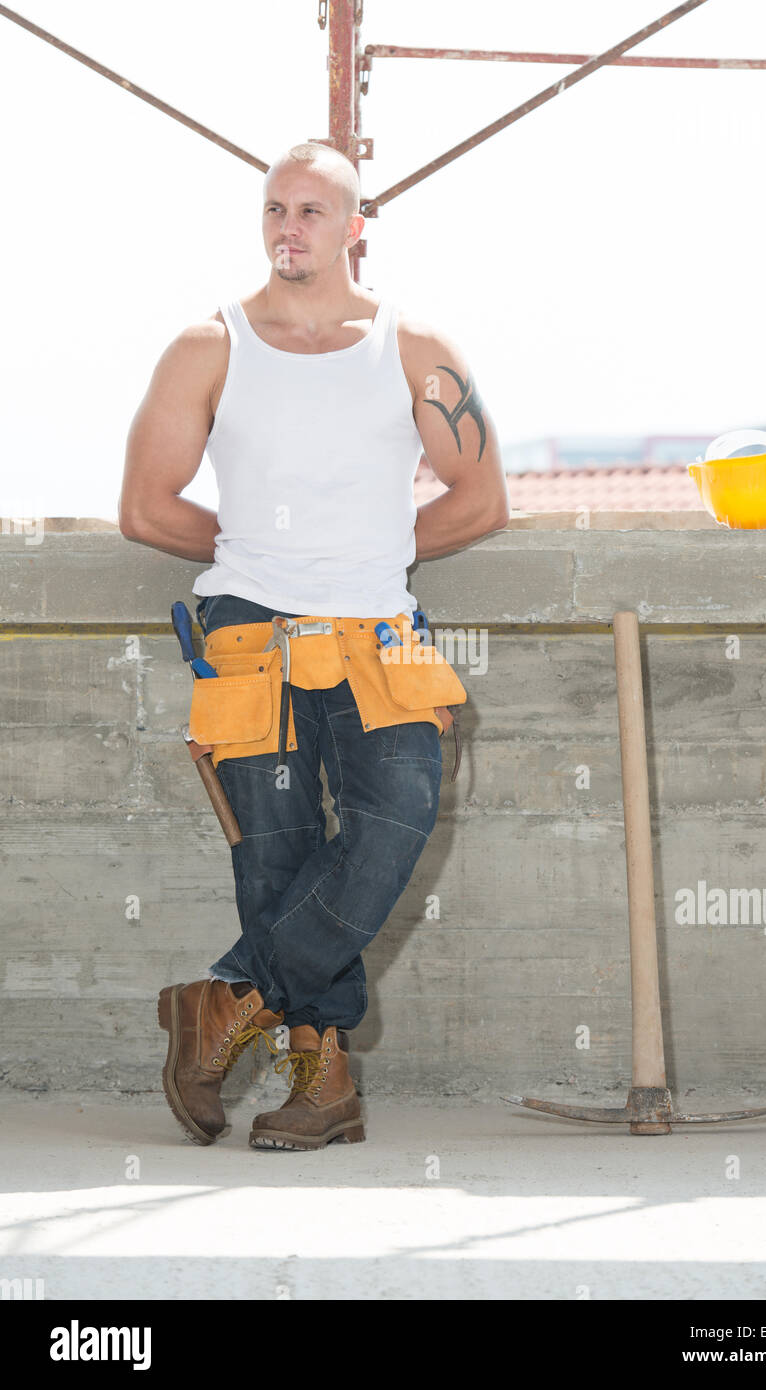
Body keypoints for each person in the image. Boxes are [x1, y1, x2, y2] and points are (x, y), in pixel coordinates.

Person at [119, 141, 510, 1152]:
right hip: (248, 629)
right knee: (281, 861)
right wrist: (268, 554)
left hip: (380, 627)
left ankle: (225, 1000)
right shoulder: (208, 346)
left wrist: (363, 553)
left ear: (353, 228)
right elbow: (146, 506)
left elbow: (480, 498)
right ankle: (322, 1086)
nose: (288, 227)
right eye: (274, 209)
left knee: (396, 822)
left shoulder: (411, 346)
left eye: (310, 211)